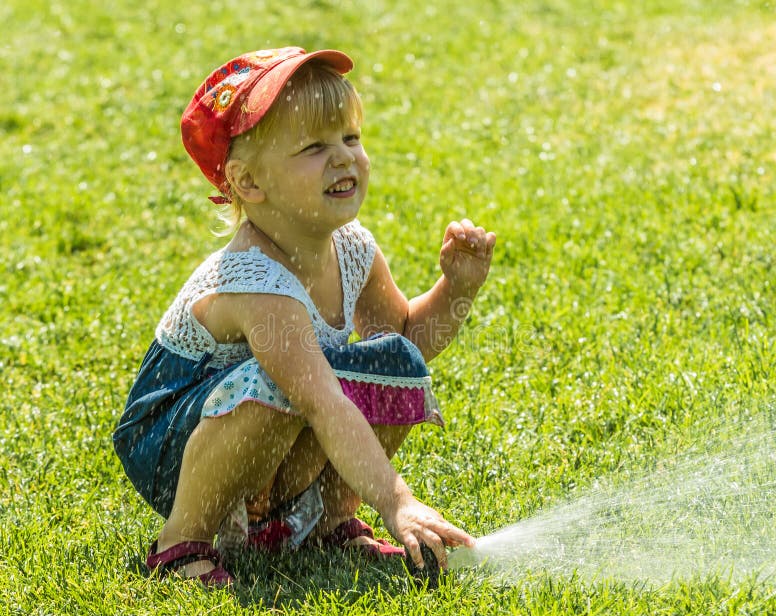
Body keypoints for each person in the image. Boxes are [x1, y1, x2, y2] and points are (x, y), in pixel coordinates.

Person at [113, 46, 496, 587]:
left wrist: (457, 289)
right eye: (315, 146)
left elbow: (407, 338)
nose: (343, 157)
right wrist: (398, 501)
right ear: (249, 184)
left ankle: (331, 523)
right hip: (173, 445)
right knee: (278, 379)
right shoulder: (255, 280)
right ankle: (182, 540)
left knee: (395, 362)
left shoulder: (352, 248)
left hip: (273, 426)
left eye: (351, 138)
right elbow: (320, 398)